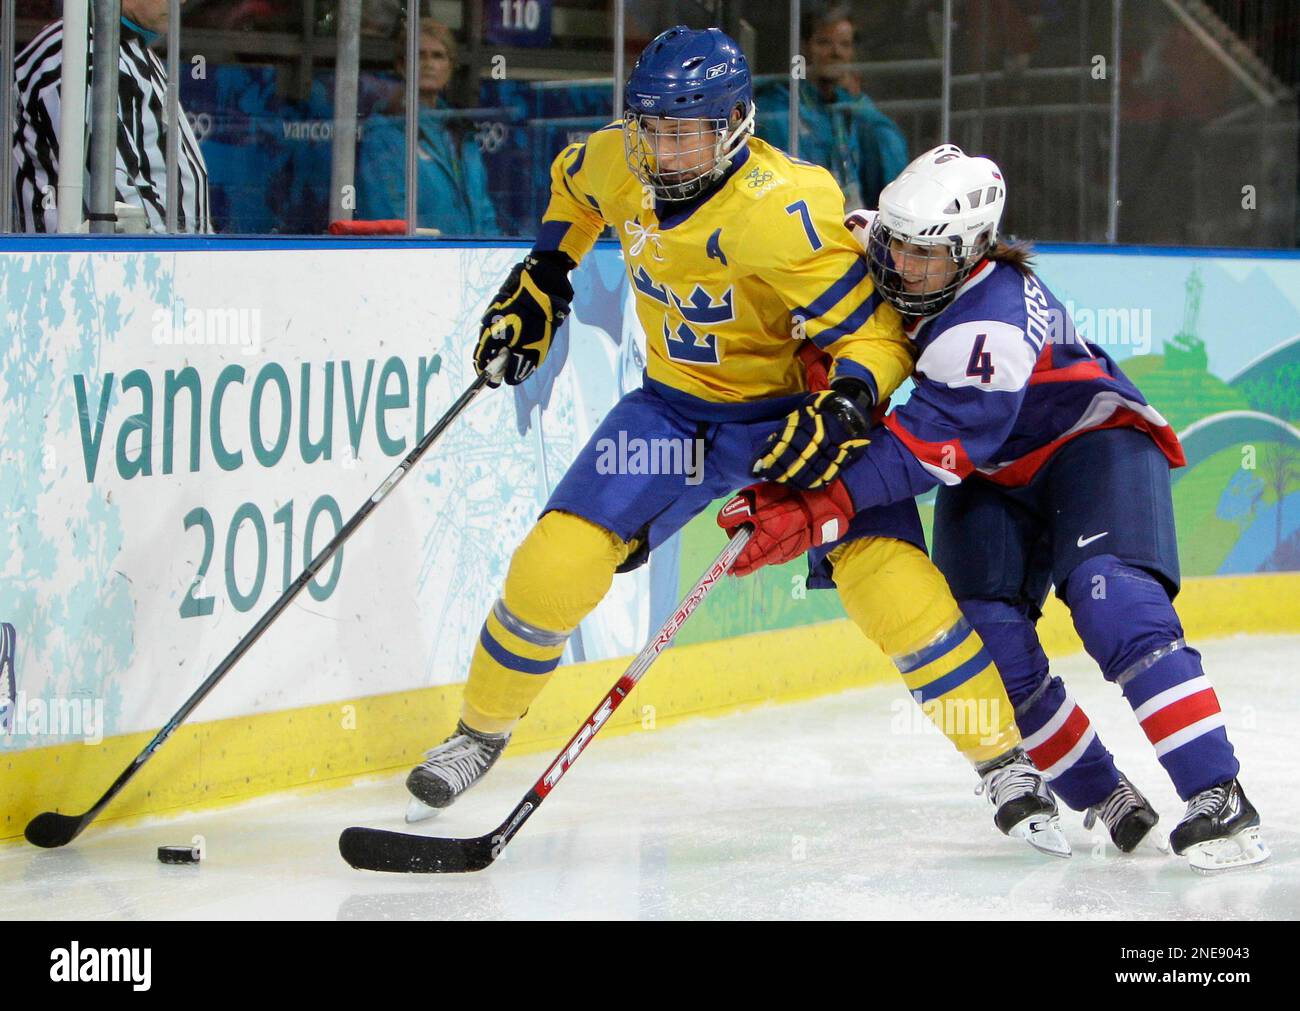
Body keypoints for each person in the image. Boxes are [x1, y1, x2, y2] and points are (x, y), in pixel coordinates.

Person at [404, 25, 1071, 858]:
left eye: (685, 130)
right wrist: (549, 269)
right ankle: (478, 732)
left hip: (790, 424)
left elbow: (876, 338)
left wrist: (848, 407)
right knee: (554, 561)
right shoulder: (618, 158)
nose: (663, 148)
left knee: (893, 588)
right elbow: (573, 189)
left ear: (733, 127)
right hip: (673, 418)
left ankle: (1003, 760)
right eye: (651, 126)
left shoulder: (786, 211)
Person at [726, 144, 1271, 873]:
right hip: (993, 467)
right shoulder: (882, 243)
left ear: (973, 251)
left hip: (1090, 445)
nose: (899, 267)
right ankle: (1103, 794)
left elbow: (914, 456)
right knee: (985, 635)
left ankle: (1218, 792)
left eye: (925, 255)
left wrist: (813, 508)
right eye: (895, 243)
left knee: (1113, 601)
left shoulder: (990, 329)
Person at [12, 0, 212, 233]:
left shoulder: (129, 47)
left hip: (168, 262)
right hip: (111, 266)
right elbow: (120, 220)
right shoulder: (74, 56)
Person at [755, 4, 908, 209]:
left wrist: (859, 102)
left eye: (845, 44)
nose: (836, 53)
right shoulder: (779, 107)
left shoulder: (852, 107)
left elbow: (892, 151)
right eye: (824, 42)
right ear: (804, 48)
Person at [355, 18, 498, 235]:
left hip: (471, 263)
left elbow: (485, 215)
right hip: (420, 262)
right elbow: (388, 222)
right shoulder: (384, 134)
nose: (429, 63)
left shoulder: (461, 130)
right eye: (419, 55)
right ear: (402, 66)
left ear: (450, 67)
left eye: (438, 55)